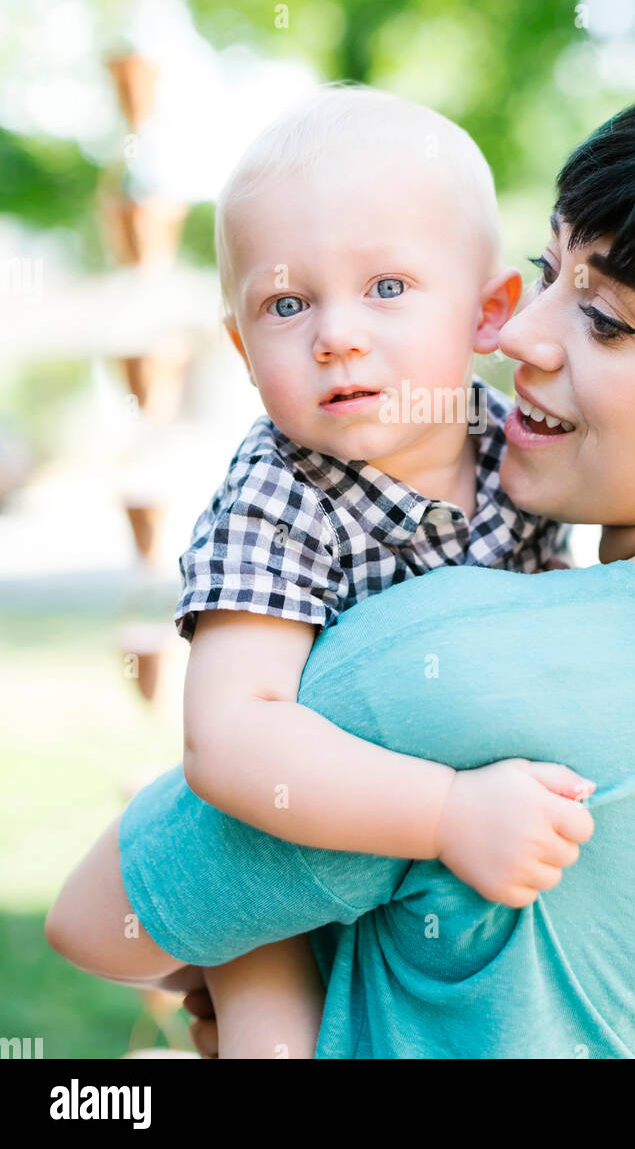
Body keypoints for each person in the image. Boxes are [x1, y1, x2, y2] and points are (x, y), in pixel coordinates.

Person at [47, 79, 635, 1059]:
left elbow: (102, 920)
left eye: (604, 318)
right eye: (547, 270)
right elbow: (231, 744)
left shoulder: (441, 662)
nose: (516, 334)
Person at [48, 83, 594, 1059]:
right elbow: (230, 738)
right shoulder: (280, 490)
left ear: (489, 313)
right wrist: (448, 811)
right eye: (286, 303)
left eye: (386, 287)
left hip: (431, 872)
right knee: (271, 1015)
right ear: (242, 350)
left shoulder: (515, 442)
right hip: (279, 840)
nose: (334, 333)